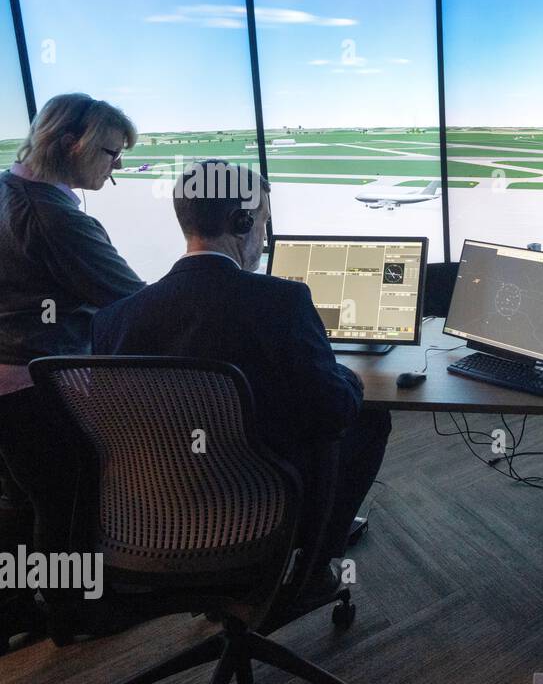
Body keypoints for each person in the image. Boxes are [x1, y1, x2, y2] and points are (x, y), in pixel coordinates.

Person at [92, 159, 392, 595]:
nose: (265, 238)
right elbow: (332, 413)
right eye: (264, 224)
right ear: (242, 221)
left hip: (153, 515)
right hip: (258, 506)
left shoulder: (113, 320)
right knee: (369, 420)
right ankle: (313, 566)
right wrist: (349, 378)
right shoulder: (283, 302)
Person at [0, 93, 144, 554]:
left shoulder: (9, 189)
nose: (117, 166)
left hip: (11, 381)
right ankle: (77, 611)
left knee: (26, 502)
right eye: (110, 153)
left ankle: (26, 609)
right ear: (69, 143)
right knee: (70, 503)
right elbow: (135, 302)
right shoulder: (55, 217)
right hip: (37, 386)